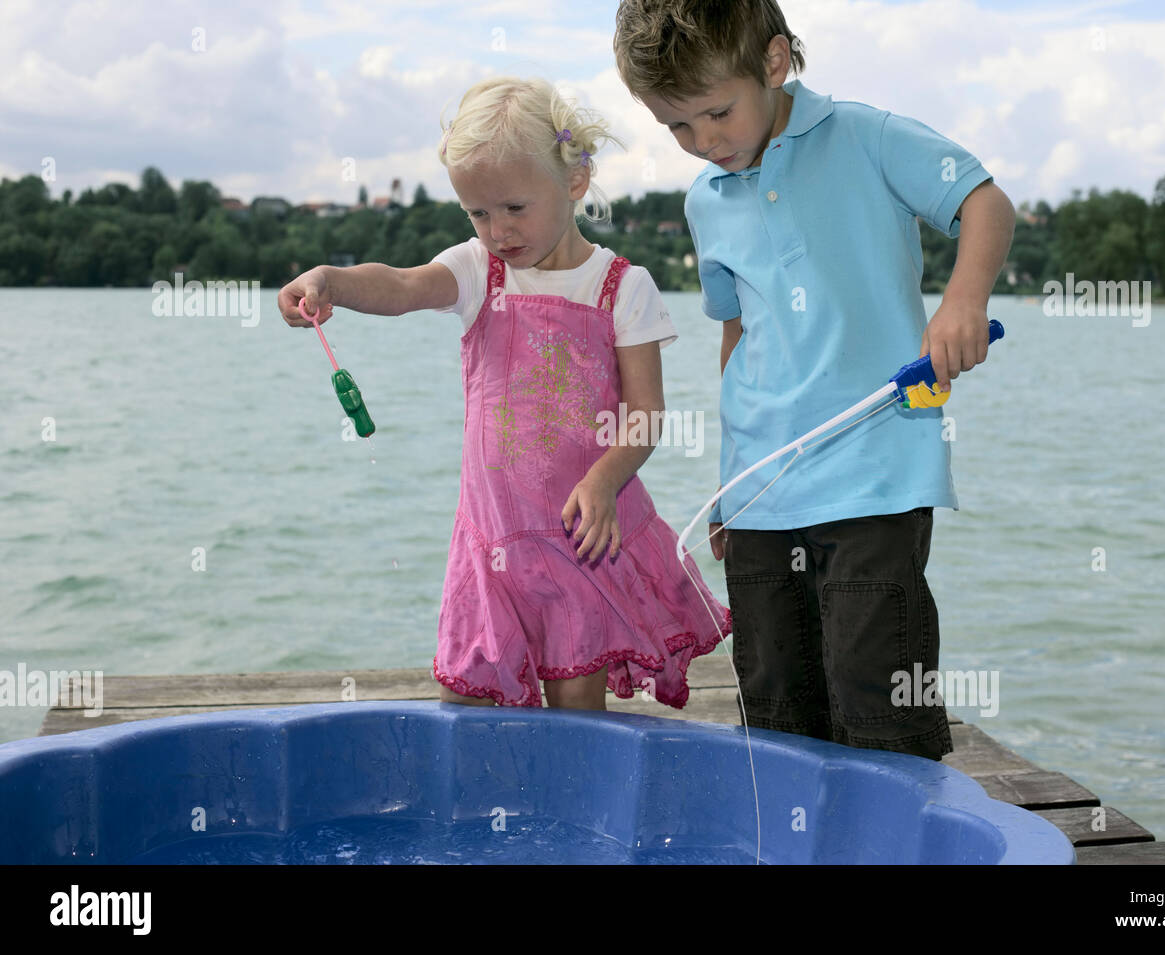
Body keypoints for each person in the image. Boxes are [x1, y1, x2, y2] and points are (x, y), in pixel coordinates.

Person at [613, 0, 1016, 759]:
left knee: (878, 698)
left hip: (876, 479)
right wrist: (733, 485)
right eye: (678, 127)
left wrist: (964, 301)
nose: (704, 142)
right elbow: (739, 336)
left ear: (773, 63)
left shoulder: (865, 136)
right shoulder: (706, 199)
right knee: (777, 708)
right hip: (764, 492)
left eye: (716, 113)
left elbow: (985, 201)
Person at [277, 76, 731, 711]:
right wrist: (330, 281)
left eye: (515, 208)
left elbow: (646, 415)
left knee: (576, 723)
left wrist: (604, 482)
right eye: (479, 213)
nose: (498, 229)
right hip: (489, 543)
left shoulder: (621, 287)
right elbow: (403, 286)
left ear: (574, 181)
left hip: (579, 544)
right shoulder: (478, 272)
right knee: (465, 709)